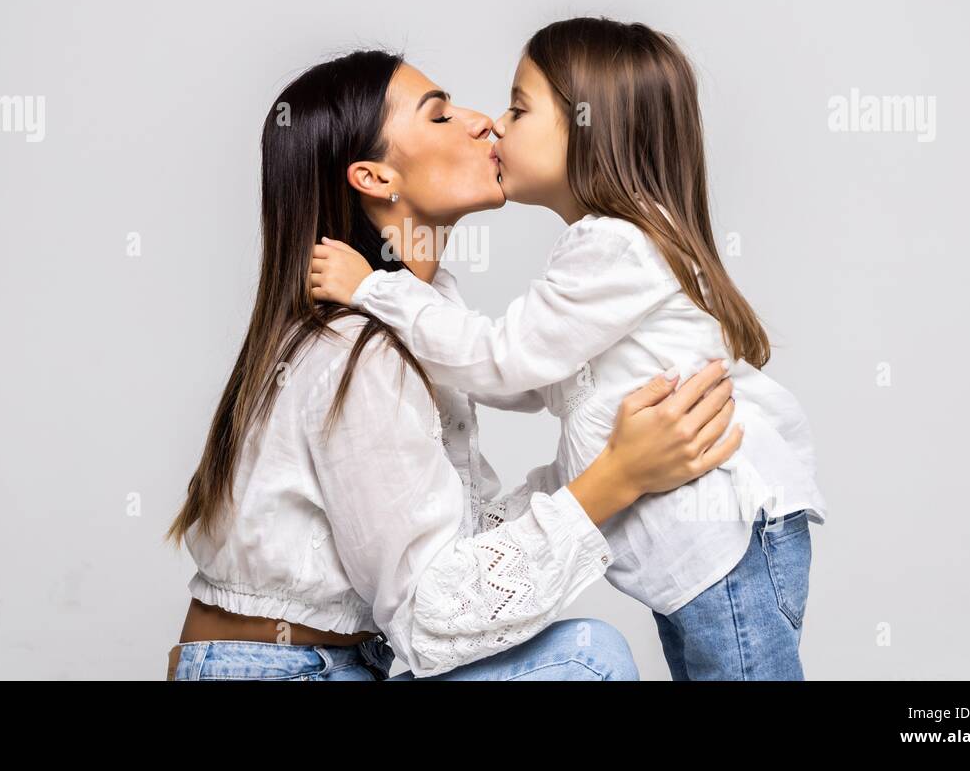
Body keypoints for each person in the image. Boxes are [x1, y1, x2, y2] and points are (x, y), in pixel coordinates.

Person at [165, 48, 742, 680]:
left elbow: (458, 546)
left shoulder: (422, 322)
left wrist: (620, 461)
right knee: (586, 662)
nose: (483, 122)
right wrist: (614, 480)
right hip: (281, 671)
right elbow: (427, 615)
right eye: (439, 117)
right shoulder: (359, 353)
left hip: (349, 659)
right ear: (376, 178)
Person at [311, 18, 827, 680]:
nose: (495, 124)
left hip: (726, 544)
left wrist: (377, 292)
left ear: (589, 128)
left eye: (519, 108)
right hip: (708, 552)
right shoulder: (608, 249)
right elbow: (523, 380)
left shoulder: (612, 245)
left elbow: (504, 360)